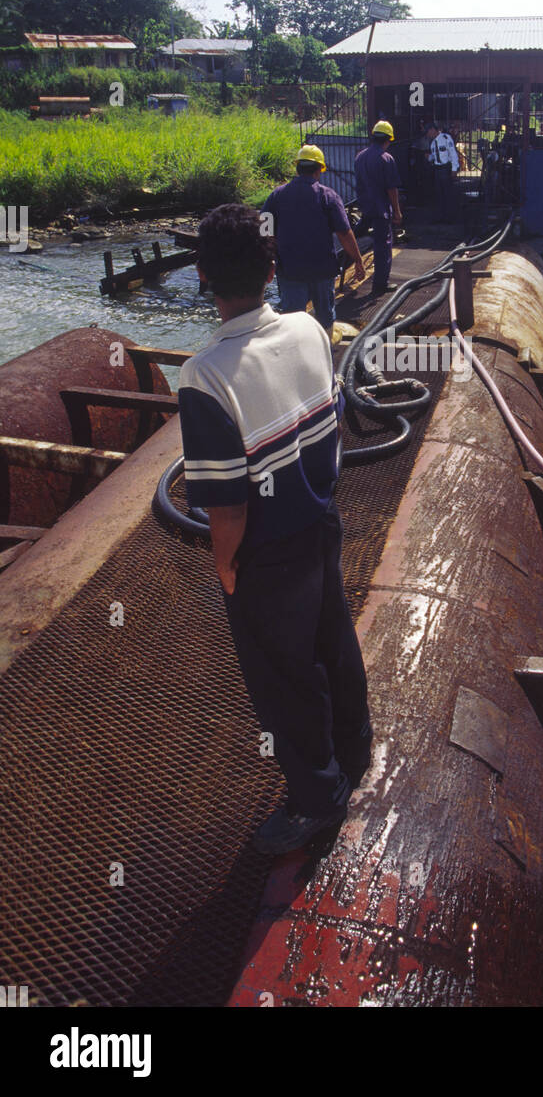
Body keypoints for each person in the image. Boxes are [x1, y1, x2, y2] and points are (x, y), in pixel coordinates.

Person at [178, 204, 372, 855]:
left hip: (267, 552)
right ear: (271, 266)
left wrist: (225, 564)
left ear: (203, 276)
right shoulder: (310, 329)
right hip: (321, 519)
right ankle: (355, 746)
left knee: (283, 680)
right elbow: (329, 423)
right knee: (333, 639)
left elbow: (226, 503)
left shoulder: (204, 375)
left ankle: (317, 801)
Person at [262, 144, 365, 335]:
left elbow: (264, 231)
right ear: (319, 169)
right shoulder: (329, 196)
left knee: (291, 321)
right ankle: (325, 353)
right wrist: (358, 261)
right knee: (325, 316)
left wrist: (269, 262)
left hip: (290, 271)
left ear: (297, 168)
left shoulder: (276, 196)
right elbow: (344, 233)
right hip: (322, 270)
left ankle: (294, 359)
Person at [353, 120, 402, 295]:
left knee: (358, 235)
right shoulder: (386, 159)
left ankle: (348, 256)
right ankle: (380, 285)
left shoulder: (360, 157)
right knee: (383, 246)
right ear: (388, 139)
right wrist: (397, 211)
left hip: (365, 207)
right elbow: (391, 188)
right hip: (381, 209)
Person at [427, 123, 460, 222]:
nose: (428, 134)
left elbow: (453, 153)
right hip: (437, 170)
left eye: (428, 132)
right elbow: (435, 156)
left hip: (446, 169)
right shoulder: (432, 143)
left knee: (448, 194)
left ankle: (450, 217)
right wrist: (429, 157)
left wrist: (454, 168)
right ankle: (441, 217)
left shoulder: (446, 138)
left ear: (433, 130)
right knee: (439, 194)